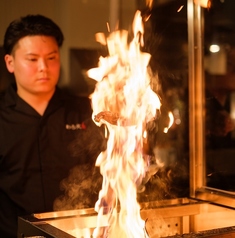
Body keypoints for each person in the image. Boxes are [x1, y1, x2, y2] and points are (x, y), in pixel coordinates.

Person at [0, 14, 105, 238]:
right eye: (32, 59)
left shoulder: (86, 110)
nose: (43, 68)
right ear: (10, 62)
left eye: (51, 58)